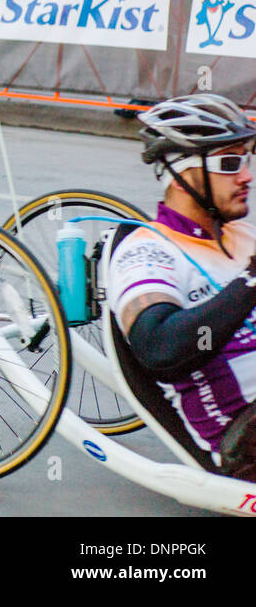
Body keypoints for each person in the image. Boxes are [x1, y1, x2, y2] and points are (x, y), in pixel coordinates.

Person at [106, 94, 256, 477]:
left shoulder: (242, 235)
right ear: (181, 172)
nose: (246, 176)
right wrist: (250, 281)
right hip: (244, 438)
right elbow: (160, 349)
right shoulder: (147, 252)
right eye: (229, 163)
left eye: (247, 159)